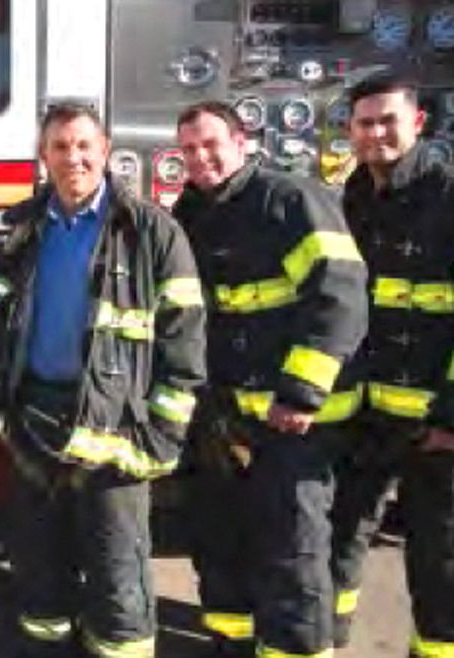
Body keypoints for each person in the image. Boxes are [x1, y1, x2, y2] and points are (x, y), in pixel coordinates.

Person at [0, 101, 206, 658]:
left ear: (105, 151)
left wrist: (164, 433)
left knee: (117, 573)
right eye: (59, 146)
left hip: (117, 428)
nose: (72, 157)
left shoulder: (152, 231)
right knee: (38, 566)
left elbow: (184, 338)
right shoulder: (25, 229)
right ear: (43, 156)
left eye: (82, 145)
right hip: (34, 422)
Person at [172, 101, 368, 658]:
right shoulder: (192, 213)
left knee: (292, 557)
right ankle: (232, 647)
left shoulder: (291, 200)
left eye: (211, 144)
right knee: (222, 546)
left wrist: (301, 394)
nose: (201, 157)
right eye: (188, 149)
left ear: (242, 140)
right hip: (226, 419)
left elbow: (340, 297)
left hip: (297, 421)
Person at [335, 73, 454, 658]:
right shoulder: (357, 194)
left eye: (388, 121)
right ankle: (325, 643)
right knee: (339, 540)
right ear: (351, 131)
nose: (376, 132)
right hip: (366, 414)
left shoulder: (449, 194)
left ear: (417, 123)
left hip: (438, 423)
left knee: (440, 561)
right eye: (365, 122)